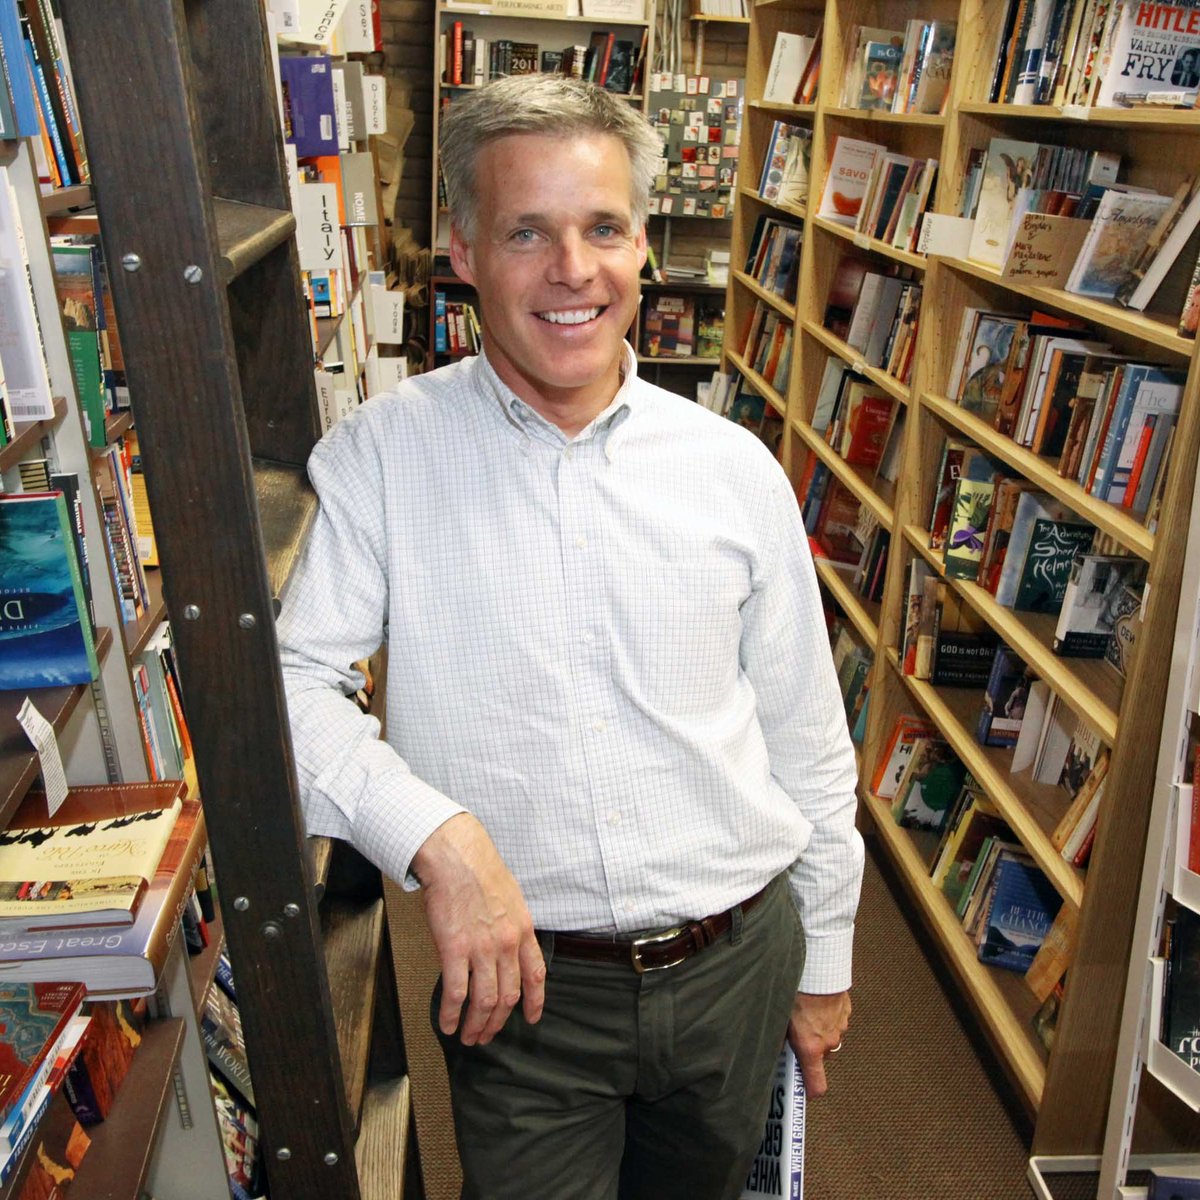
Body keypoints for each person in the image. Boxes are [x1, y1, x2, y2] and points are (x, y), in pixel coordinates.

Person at [277, 74, 863, 1200]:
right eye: (526, 233)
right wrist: (442, 840)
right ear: (462, 250)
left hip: (738, 965)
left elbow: (807, 736)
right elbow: (290, 692)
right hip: (522, 988)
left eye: (603, 228)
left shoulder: (731, 469)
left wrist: (825, 957)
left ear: (643, 243)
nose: (572, 270)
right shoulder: (381, 458)